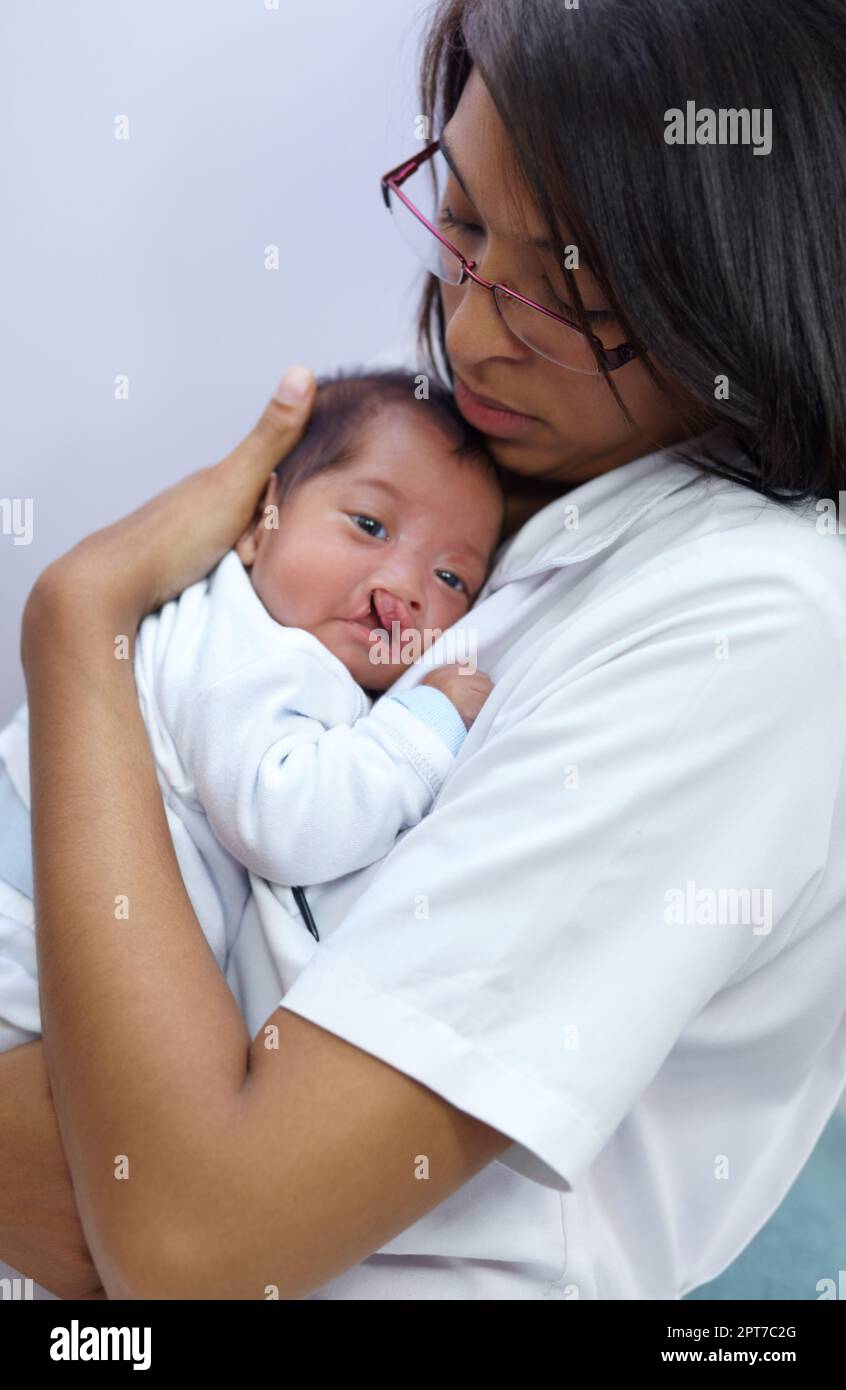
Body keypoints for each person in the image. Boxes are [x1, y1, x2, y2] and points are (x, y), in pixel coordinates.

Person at [2, 0, 846, 1301]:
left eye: (570, 289)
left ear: (737, 280)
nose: (476, 328)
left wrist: (77, 626)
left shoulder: (747, 625)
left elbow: (187, 1244)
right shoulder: (499, 482)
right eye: (458, 223)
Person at [0, 366, 503, 1050]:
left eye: (452, 577)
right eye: (369, 524)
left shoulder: (248, 628)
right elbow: (287, 820)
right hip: (20, 948)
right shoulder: (259, 653)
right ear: (259, 524)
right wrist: (422, 728)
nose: (407, 585)